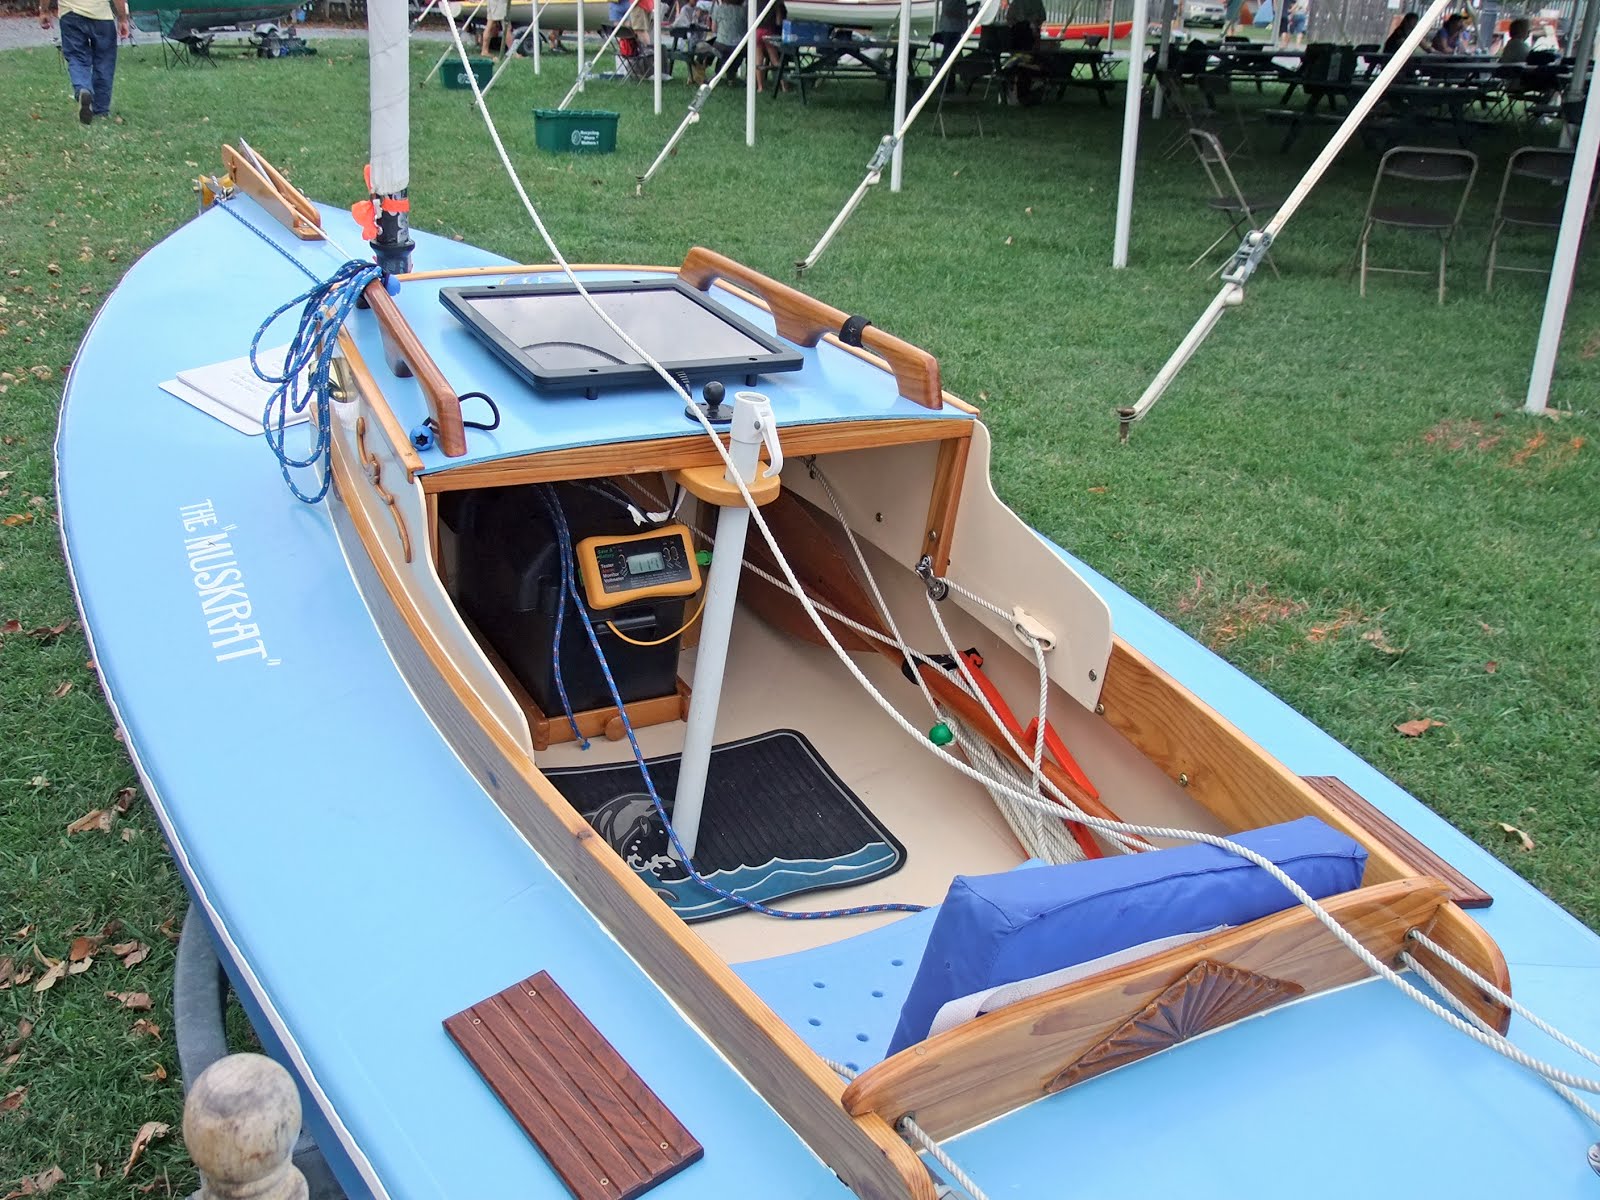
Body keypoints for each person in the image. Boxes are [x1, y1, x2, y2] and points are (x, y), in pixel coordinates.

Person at [39, 0, 129, 124]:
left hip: (70, 15)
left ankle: (82, 88)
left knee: (76, 57)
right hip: (101, 16)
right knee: (104, 61)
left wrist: (44, 11)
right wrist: (122, 19)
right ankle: (101, 109)